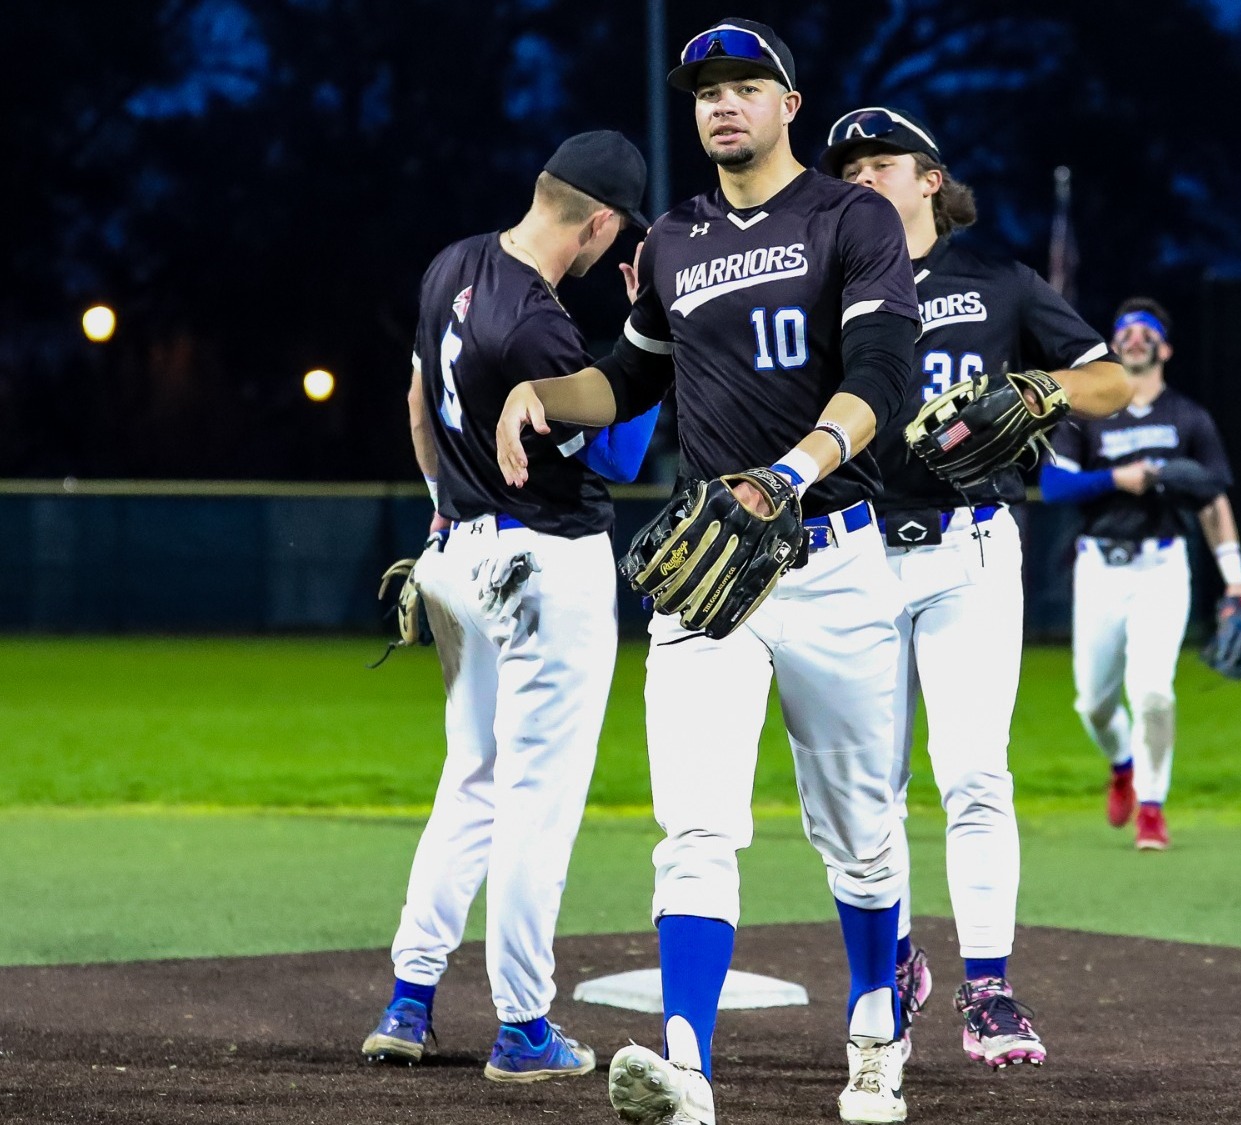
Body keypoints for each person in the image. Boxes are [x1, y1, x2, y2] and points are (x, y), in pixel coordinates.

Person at [496, 18, 920, 1125]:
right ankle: (685, 1068)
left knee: (863, 831)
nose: (720, 105)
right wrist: (540, 394)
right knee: (693, 825)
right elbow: (626, 379)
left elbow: (880, 371)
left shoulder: (851, 215)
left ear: (788, 103)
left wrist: (787, 474)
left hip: (832, 559)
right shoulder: (676, 241)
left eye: (743, 86)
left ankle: (875, 1032)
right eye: (703, 93)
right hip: (712, 570)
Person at [819, 106, 1128, 1070]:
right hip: (855, 554)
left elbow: (1113, 380)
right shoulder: (828, 290)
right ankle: (897, 958)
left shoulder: (998, 282)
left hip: (970, 552)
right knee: (866, 791)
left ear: (930, 179)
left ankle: (988, 986)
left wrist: (1045, 392)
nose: (864, 177)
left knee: (974, 773)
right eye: (850, 167)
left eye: (883, 162)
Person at [358, 130, 661, 1081]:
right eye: (618, 236)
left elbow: (416, 401)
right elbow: (618, 456)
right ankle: (524, 1024)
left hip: (457, 552)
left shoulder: (455, 261)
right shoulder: (541, 326)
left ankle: (410, 999)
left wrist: (447, 510)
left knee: (472, 780)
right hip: (545, 566)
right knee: (538, 799)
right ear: (601, 221)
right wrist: (654, 330)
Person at [1040, 299, 1241, 850]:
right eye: (1125, 331)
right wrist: (1120, 477)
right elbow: (1055, 488)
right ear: (1113, 347)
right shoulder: (1089, 415)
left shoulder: (1189, 418)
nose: (1135, 338)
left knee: (1154, 692)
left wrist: (1235, 580)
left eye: (1146, 332)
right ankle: (1122, 764)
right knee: (1094, 703)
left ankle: (1152, 808)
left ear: (1165, 348)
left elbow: (1212, 501)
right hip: (1099, 568)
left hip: (1162, 565)